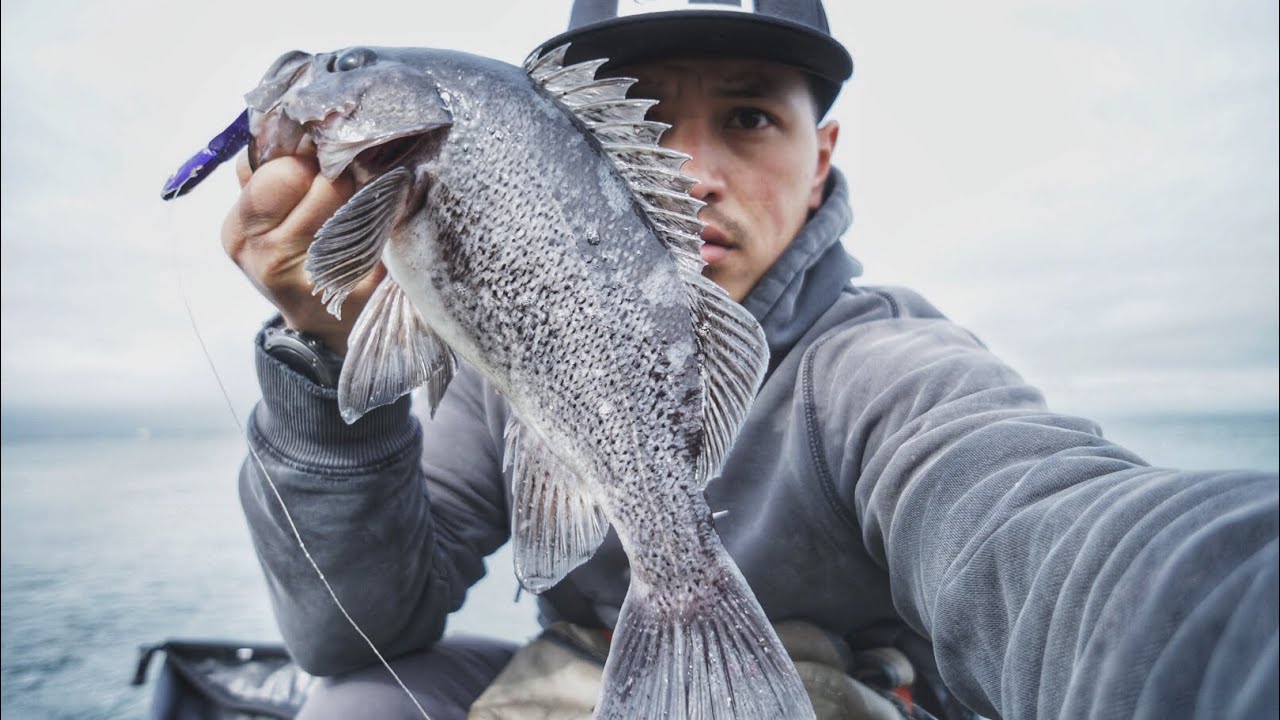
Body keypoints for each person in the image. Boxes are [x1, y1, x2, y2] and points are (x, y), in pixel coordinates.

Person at [221, 1, 1279, 719]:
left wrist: (1227, 621)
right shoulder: (504, 358)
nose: (687, 173)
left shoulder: (881, 370)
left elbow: (1039, 529)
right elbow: (345, 628)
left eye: (746, 117)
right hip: (584, 664)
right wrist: (321, 358)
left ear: (819, 159)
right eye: (628, 125)